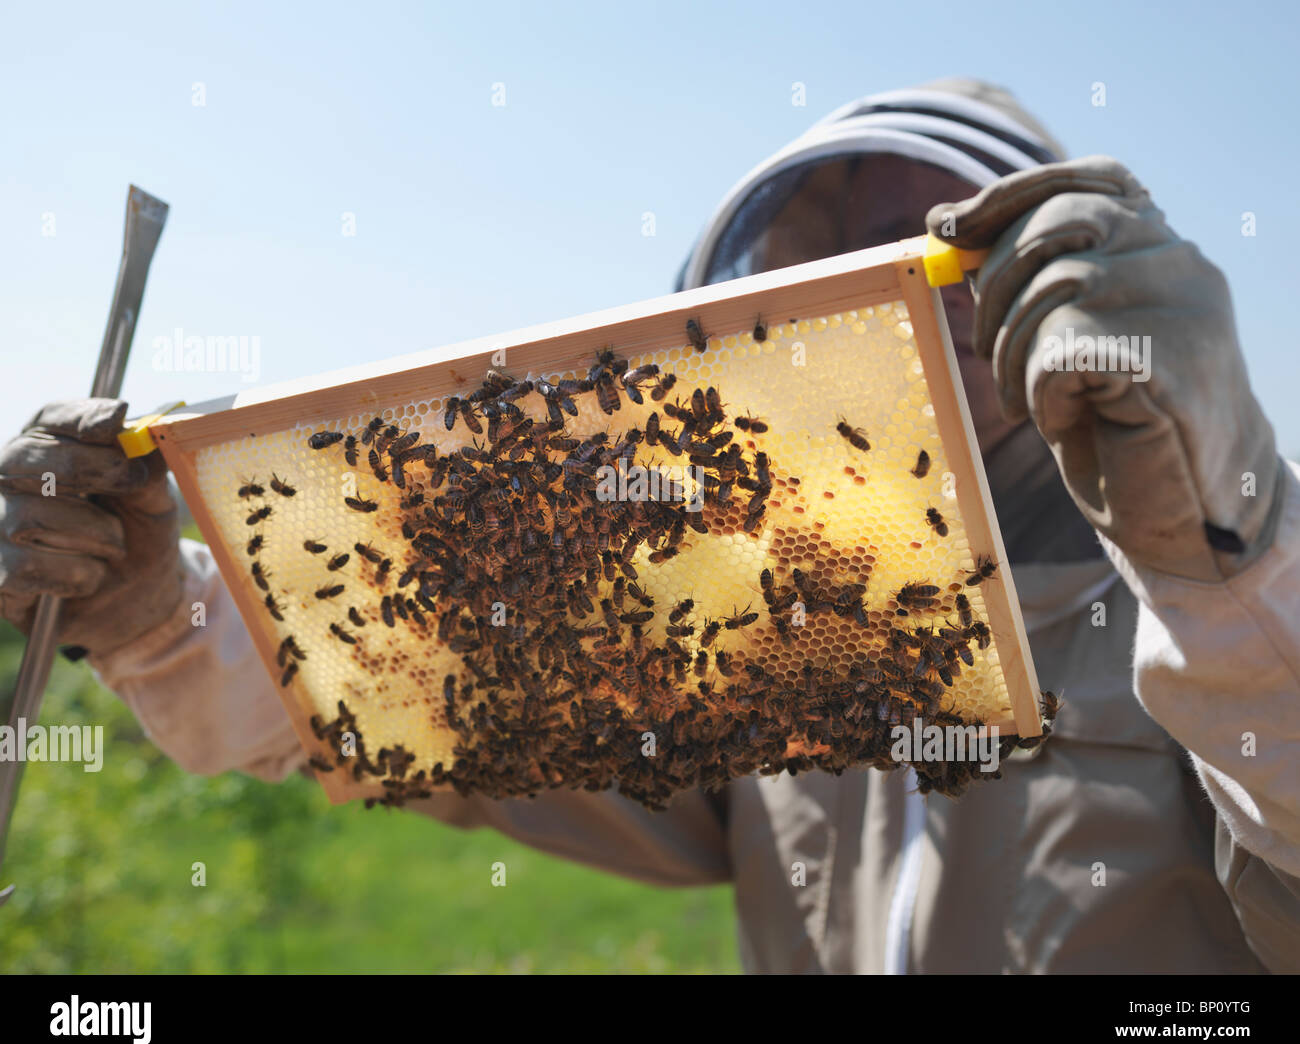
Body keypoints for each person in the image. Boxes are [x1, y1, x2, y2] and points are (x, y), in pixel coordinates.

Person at [3, 79, 1297, 973]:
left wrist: (1231, 556)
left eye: (929, 231)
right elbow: (417, 686)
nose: (881, 278)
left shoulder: (1208, 615)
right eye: (826, 246)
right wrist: (152, 609)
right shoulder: (759, 640)